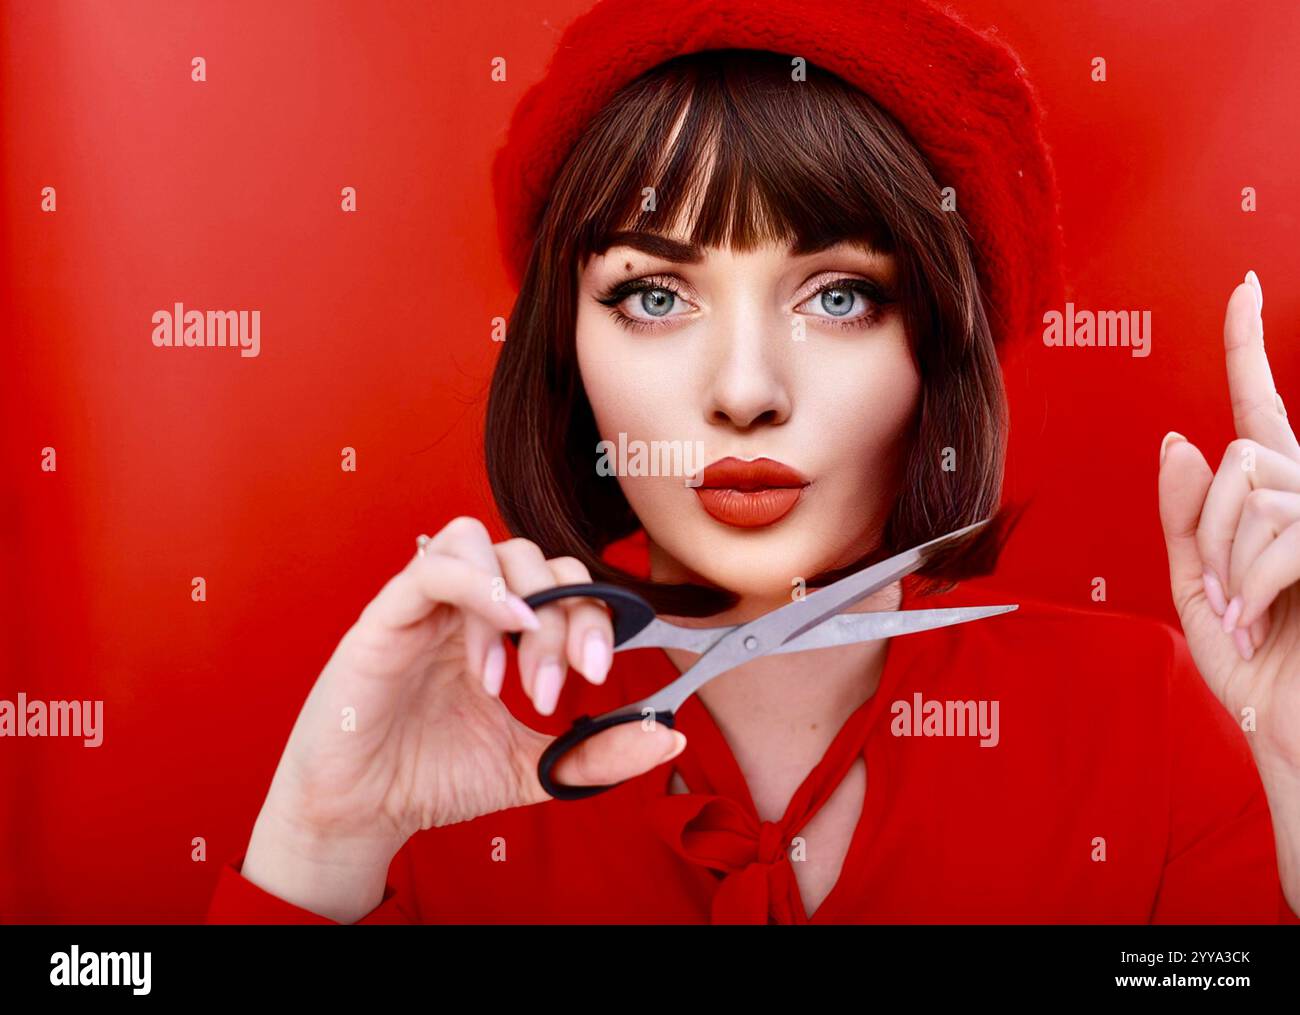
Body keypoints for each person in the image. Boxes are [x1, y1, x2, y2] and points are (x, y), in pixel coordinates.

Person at [205, 0, 1300, 924]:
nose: (743, 390)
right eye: (653, 294)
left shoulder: (1142, 721)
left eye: (839, 296)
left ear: (937, 352)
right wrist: (321, 838)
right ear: (564, 344)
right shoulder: (454, 732)